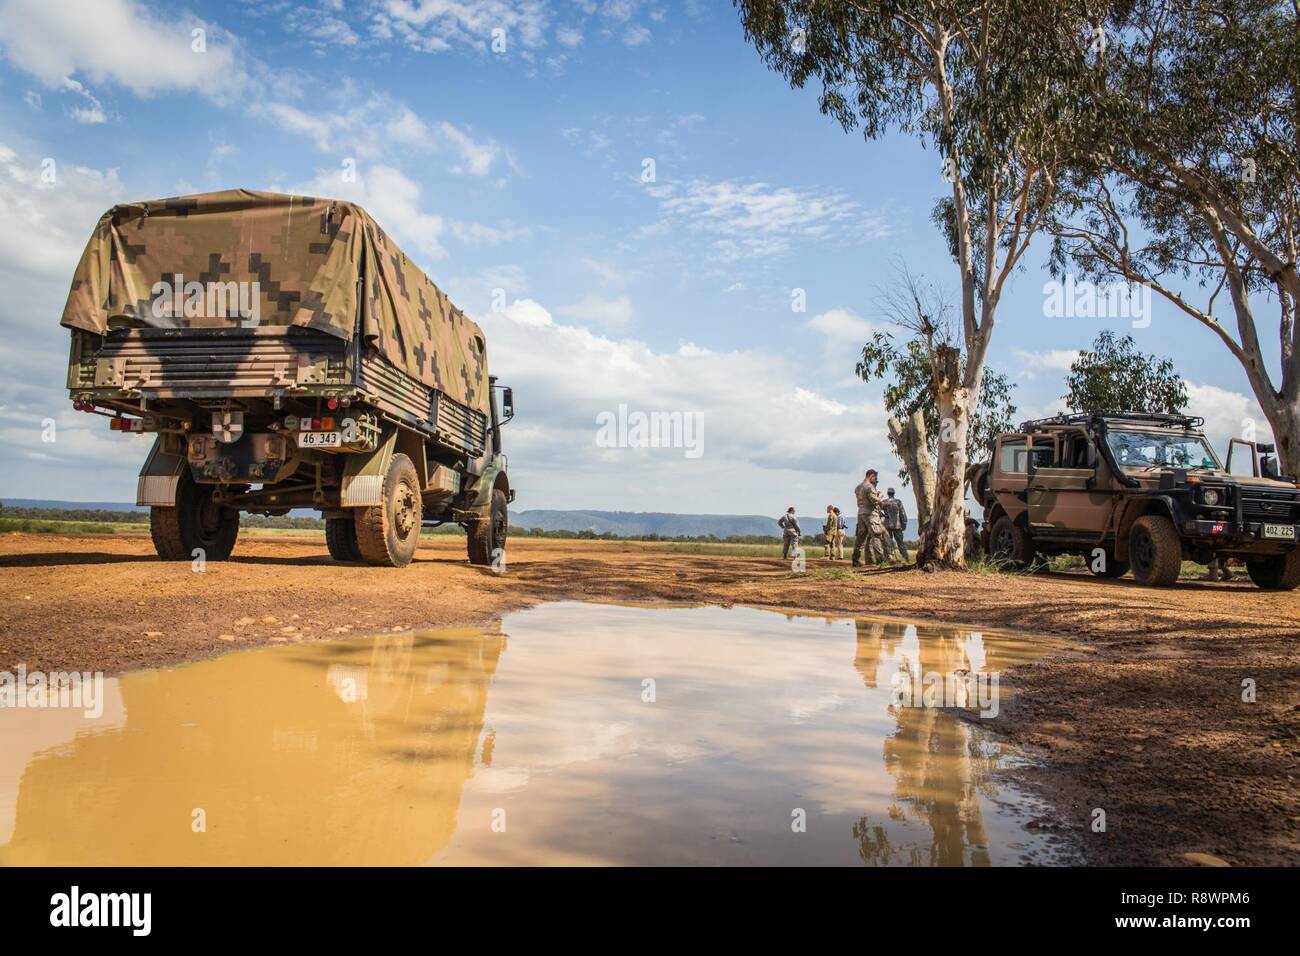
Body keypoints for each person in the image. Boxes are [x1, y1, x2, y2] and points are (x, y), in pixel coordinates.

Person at [852, 470, 887, 567]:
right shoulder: (869, 487)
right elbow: (875, 501)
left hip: (860, 513)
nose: (875, 480)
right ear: (871, 476)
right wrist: (880, 496)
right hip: (870, 514)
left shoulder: (858, 487)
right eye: (875, 478)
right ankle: (880, 560)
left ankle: (855, 560)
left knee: (860, 538)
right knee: (876, 536)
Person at [881, 488, 909, 563]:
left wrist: (883, 515)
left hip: (887, 525)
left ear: (888, 493)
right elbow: (903, 514)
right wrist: (904, 524)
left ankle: (889, 559)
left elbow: (877, 510)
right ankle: (906, 558)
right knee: (900, 543)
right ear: (894, 493)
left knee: (887, 543)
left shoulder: (884, 502)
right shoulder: (898, 502)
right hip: (897, 525)